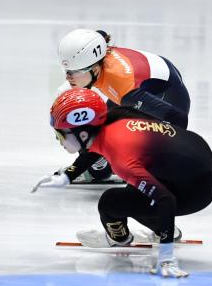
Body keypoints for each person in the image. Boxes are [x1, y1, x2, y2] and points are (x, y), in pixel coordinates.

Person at [33, 89, 212, 278]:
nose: (59, 140)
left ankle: (119, 238)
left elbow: (165, 199)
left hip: (197, 190)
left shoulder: (122, 160)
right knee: (136, 187)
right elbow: (94, 147)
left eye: (61, 135)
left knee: (111, 202)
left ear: (82, 134)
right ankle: (162, 228)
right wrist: (67, 177)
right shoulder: (115, 117)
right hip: (193, 155)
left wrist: (166, 256)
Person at [56, 28, 191, 182]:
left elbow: (178, 119)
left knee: (95, 127)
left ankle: (112, 166)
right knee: (92, 121)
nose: (68, 77)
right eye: (66, 70)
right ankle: (101, 167)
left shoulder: (124, 89)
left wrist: (166, 164)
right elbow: (100, 34)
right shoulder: (97, 54)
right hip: (152, 80)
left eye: (73, 72)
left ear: (94, 69)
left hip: (168, 97)